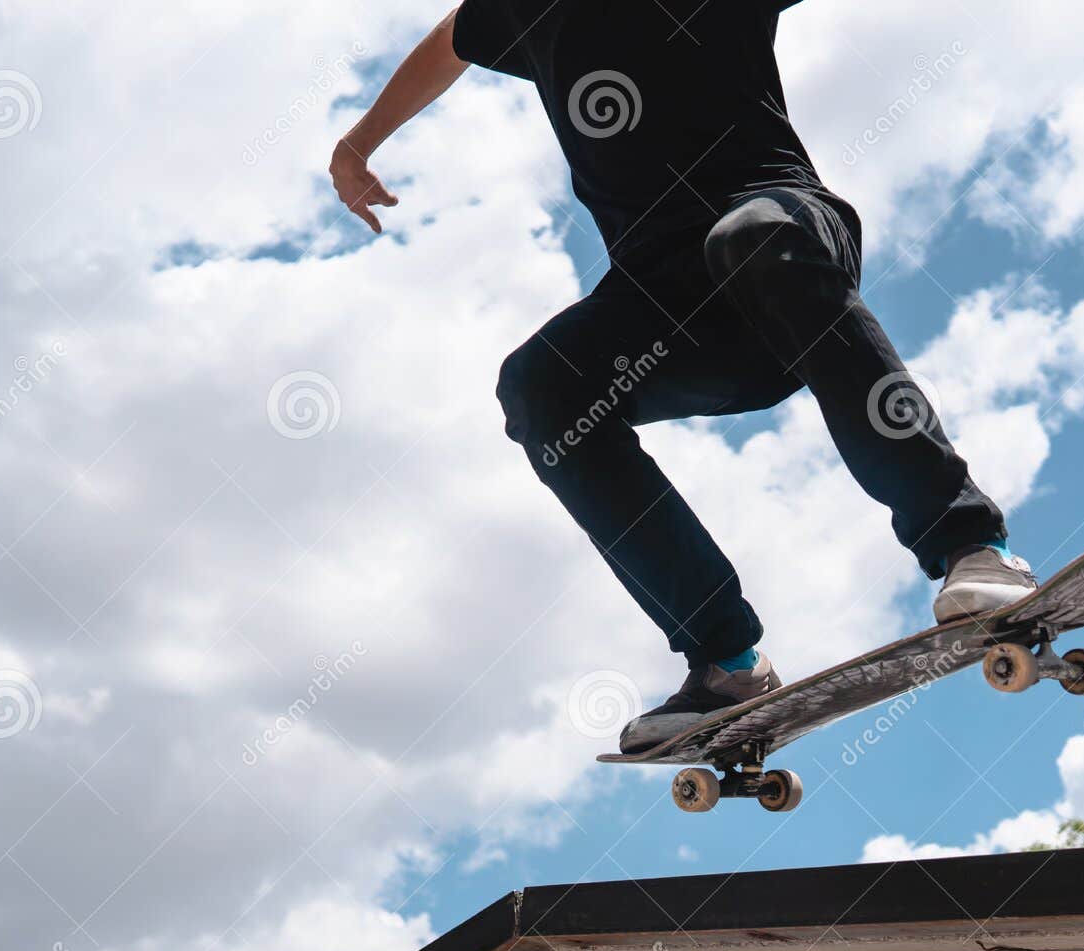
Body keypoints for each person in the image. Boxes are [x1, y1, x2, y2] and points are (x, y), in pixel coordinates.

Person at [331, 2, 1034, 752]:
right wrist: (356, 144)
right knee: (542, 384)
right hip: (671, 319)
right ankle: (727, 661)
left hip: (785, 250)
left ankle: (971, 546)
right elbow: (452, 39)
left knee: (752, 237)